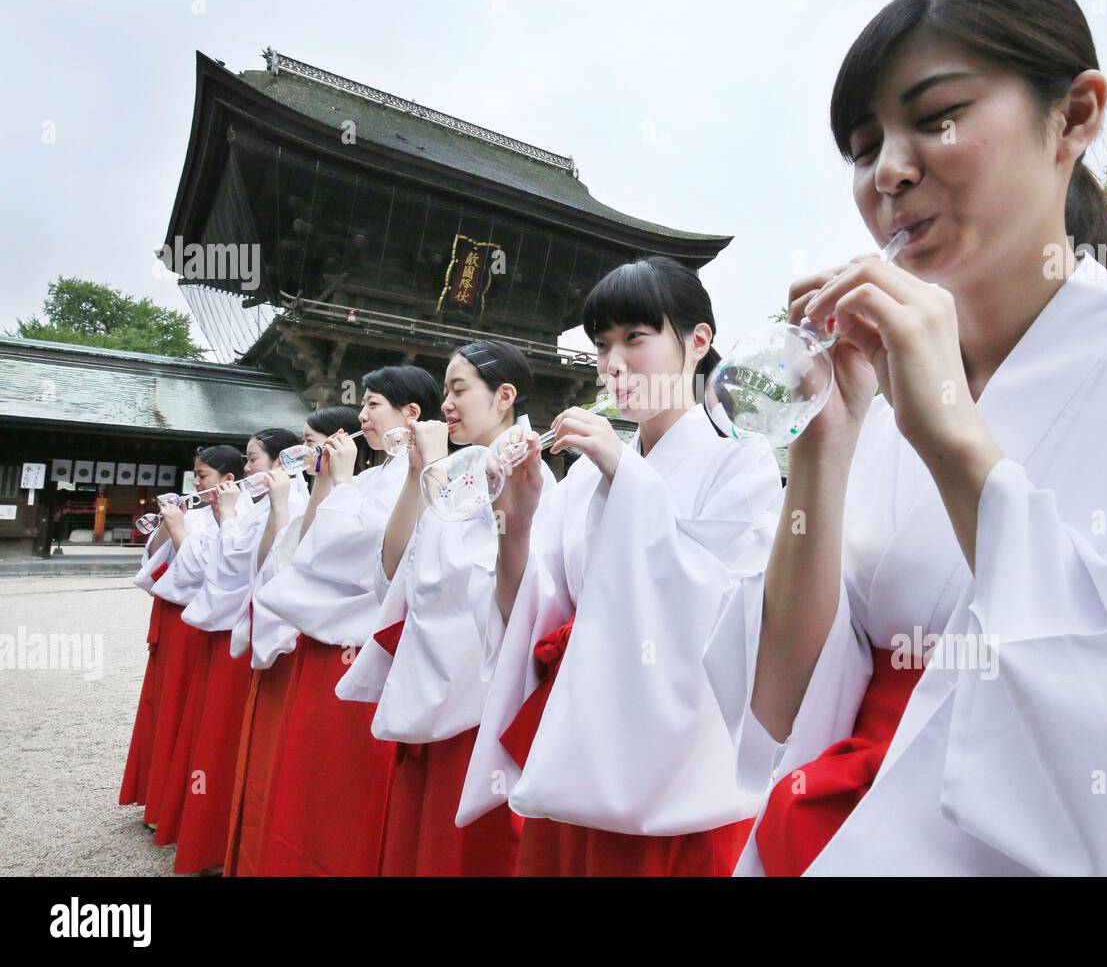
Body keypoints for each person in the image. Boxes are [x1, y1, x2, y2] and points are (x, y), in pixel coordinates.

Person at [704, 0, 1107, 877]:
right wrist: (823, 449)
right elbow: (778, 705)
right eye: (865, 148)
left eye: (937, 118)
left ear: (1075, 116)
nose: (890, 172)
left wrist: (957, 445)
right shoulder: (880, 411)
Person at [458, 257, 785, 876]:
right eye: (602, 345)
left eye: (636, 337)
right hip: (577, 748)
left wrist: (624, 473)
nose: (614, 363)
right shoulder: (582, 475)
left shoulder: (742, 465)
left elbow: (726, 621)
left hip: (679, 774)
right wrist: (519, 520)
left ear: (698, 341)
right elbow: (528, 619)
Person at [336, 340, 555, 875]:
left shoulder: (524, 469)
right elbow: (394, 571)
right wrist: (418, 472)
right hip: (433, 678)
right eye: (447, 390)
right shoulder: (458, 466)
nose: (447, 403)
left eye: (459, 390)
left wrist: (433, 465)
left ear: (504, 396)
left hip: (473, 695)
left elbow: (461, 578)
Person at [253, 368, 442, 875]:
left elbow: (355, 556)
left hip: (362, 651)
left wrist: (339, 482)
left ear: (411, 415)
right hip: (327, 644)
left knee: (346, 796)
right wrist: (328, 482)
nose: (361, 416)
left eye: (374, 404)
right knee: (312, 786)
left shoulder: (417, 475)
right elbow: (304, 554)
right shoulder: (373, 476)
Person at [225, 407, 361, 876]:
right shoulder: (298, 492)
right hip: (290, 629)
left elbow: (326, 563)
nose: (300, 454)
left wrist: (293, 502)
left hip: (323, 641)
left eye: (309, 442)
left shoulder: (349, 490)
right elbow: (266, 568)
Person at [168, 428, 302, 874]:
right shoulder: (252, 505)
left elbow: (239, 568)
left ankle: (221, 839)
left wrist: (223, 519)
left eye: (253, 460)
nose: (248, 470)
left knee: (228, 736)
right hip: (231, 623)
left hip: (246, 630)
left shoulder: (275, 504)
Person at [133, 445, 244, 850]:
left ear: (228, 479)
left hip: (194, 620)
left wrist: (180, 529)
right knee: (161, 708)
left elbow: (203, 569)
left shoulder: (233, 515)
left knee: (183, 711)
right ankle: (157, 797)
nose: (196, 482)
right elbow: (153, 560)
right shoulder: (196, 512)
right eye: (195, 475)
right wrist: (168, 525)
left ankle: (174, 805)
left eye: (204, 475)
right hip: (170, 614)